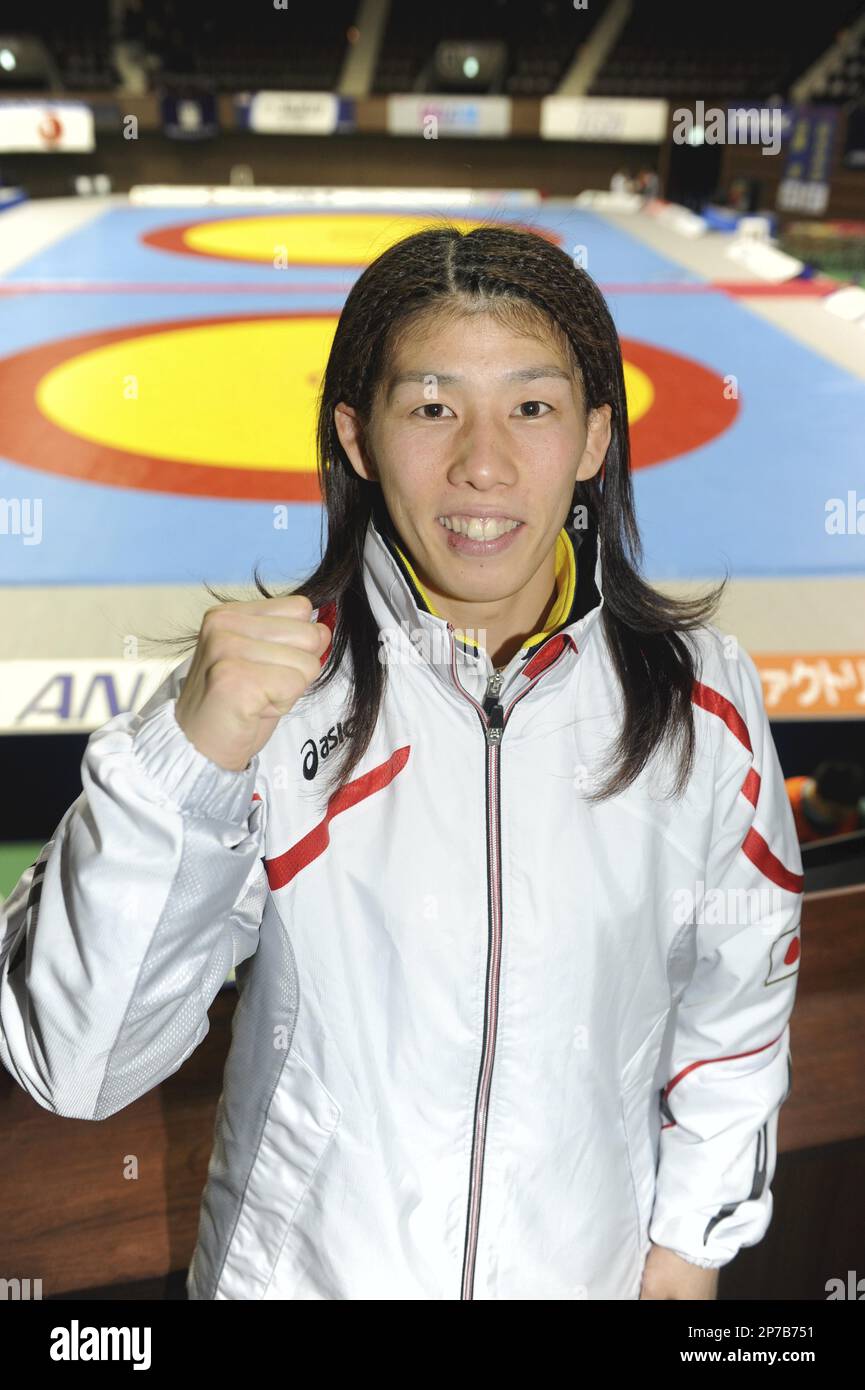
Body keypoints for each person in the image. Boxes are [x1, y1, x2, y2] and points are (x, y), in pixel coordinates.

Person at [0, 225, 804, 1301]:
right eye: (431, 407)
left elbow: (738, 995)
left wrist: (692, 1244)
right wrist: (184, 765)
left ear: (595, 436)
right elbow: (78, 1064)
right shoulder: (263, 704)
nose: (482, 461)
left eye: (531, 406)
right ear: (358, 435)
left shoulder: (704, 701)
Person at [786, 760, 865, 844]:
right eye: (836, 813)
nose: (844, 820)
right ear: (814, 794)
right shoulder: (782, 802)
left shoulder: (856, 812)